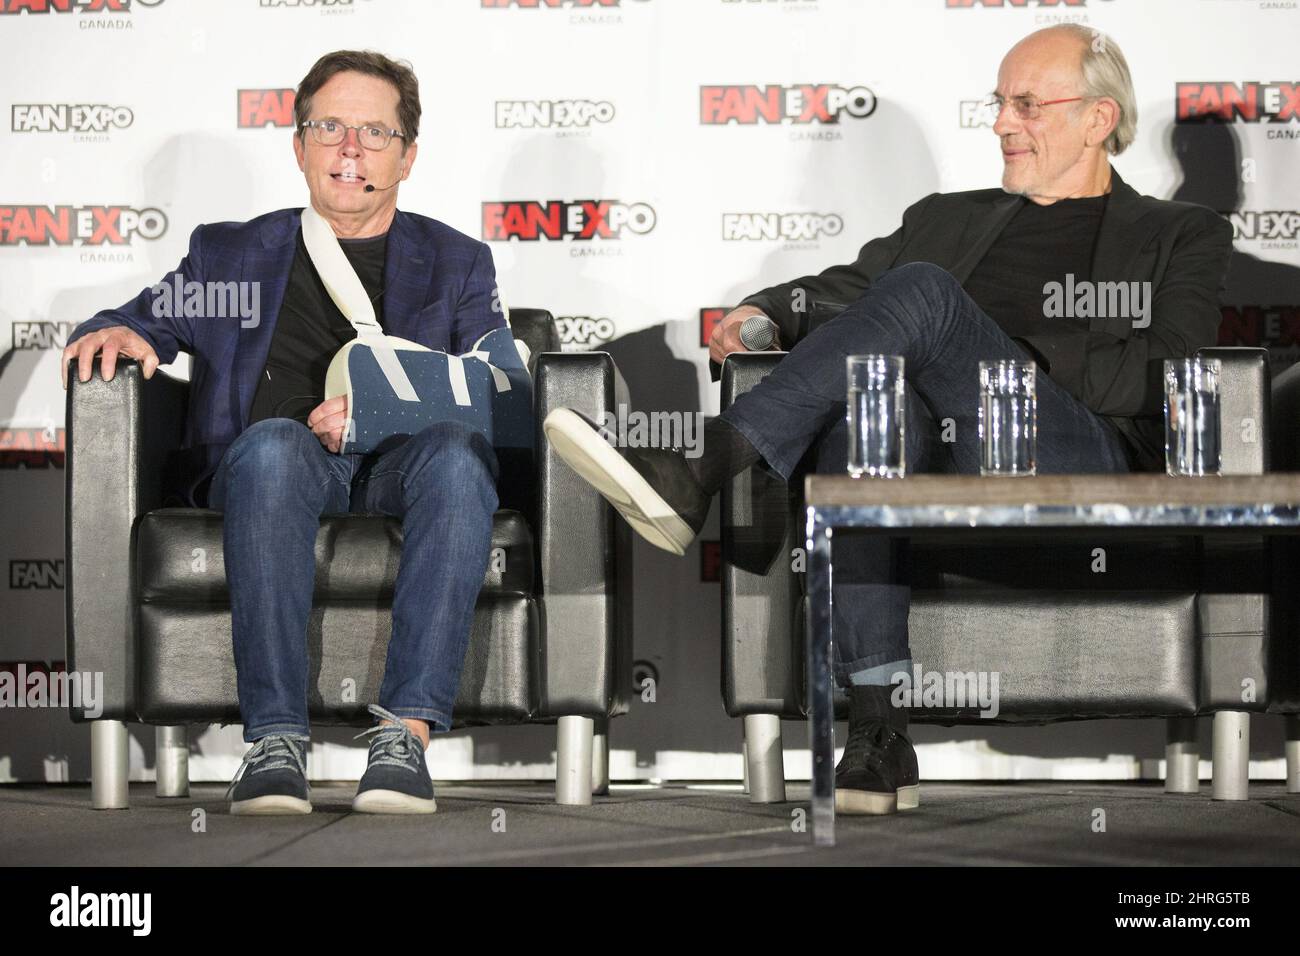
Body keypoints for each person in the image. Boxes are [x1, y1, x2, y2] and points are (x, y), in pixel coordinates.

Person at [543, 24, 1234, 816]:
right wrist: (766, 309)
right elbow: (850, 291)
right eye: (1000, 103)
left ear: (1098, 119)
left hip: (1077, 452)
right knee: (876, 391)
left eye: (1028, 105)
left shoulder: (1181, 232)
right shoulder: (949, 216)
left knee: (929, 297)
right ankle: (878, 733)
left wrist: (1002, 353)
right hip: (942, 451)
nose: (1003, 123)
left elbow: (1170, 361)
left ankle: (704, 466)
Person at [62, 50, 507, 816]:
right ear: (299, 144)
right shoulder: (233, 252)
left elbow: (495, 389)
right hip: (279, 463)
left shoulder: (457, 262)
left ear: (407, 155)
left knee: (460, 460)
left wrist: (381, 413)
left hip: (404, 468)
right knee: (273, 445)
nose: (350, 149)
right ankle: (274, 742)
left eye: (375, 131)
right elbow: (140, 319)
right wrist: (119, 334)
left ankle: (404, 737)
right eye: (329, 126)